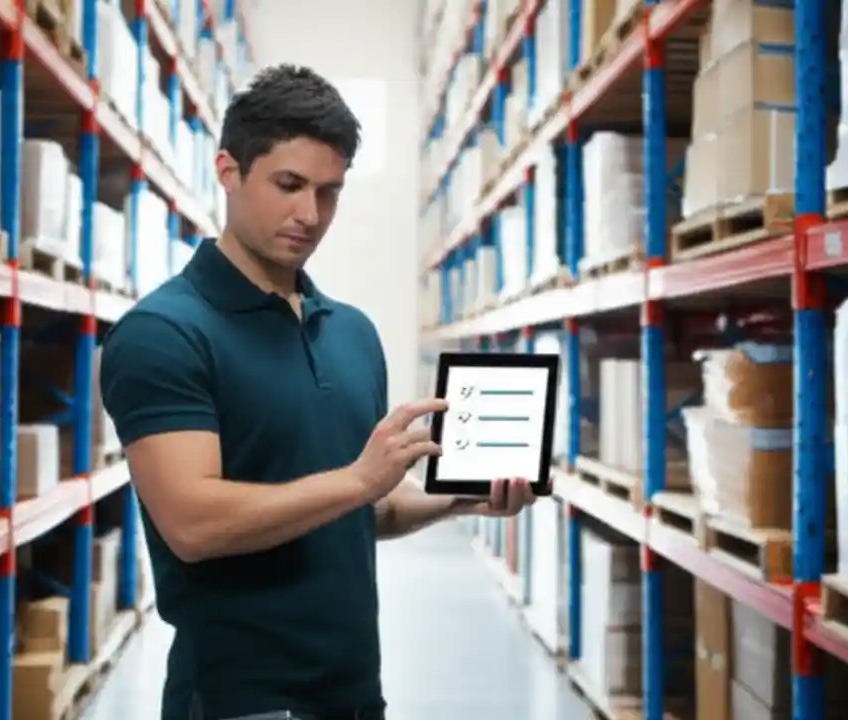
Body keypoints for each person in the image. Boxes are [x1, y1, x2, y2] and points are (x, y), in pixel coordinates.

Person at [99, 64, 538, 720]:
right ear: (228, 170)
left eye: (328, 192)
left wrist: (457, 501)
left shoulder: (352, 335)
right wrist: (362, 482)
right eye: (288, 185)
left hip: (355, 696)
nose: (309, 214)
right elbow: (193, 523)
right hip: (236, 704)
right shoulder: (165, 333)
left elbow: (358, 513)